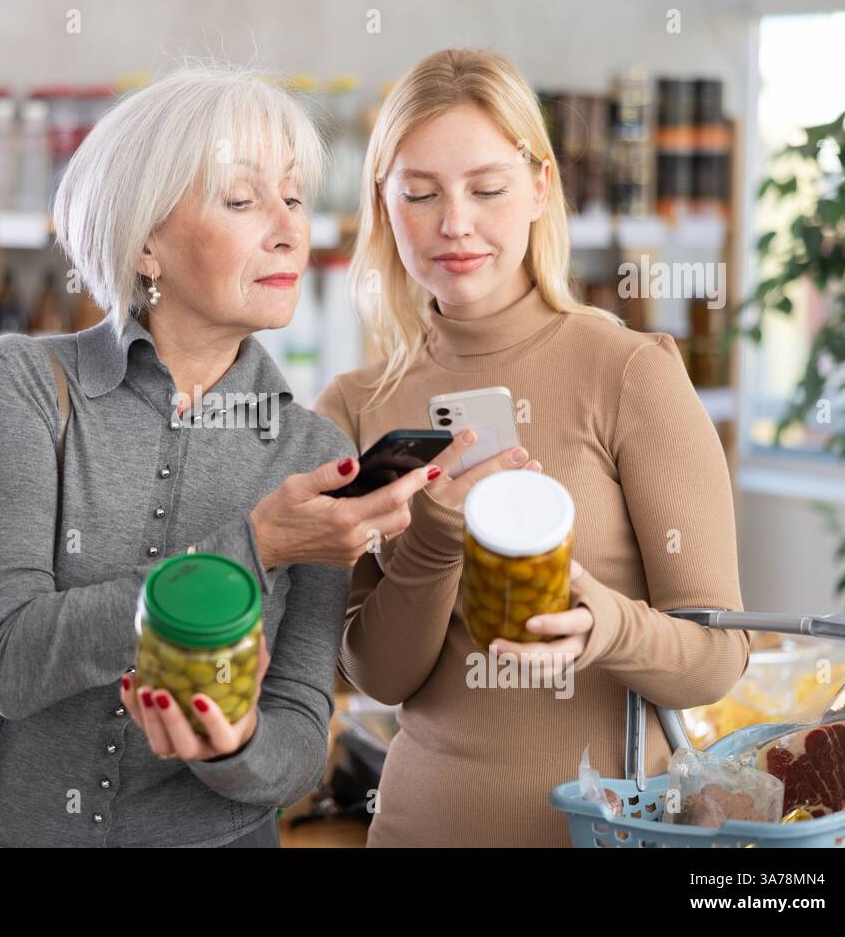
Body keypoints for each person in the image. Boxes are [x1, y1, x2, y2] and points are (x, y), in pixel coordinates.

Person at [0, 64, 443, 847]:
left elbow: (300, 737)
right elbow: (11, 660)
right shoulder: (20, 386)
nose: (289, 227)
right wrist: (257, 546)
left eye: (294, 198)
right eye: (242, 199)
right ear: (146, 242)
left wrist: (234, 748)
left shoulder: (312, 451)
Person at [314, 48, 749, 846]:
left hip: (614, 832)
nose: (455, 222)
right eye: (420, 192)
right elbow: (377, 675)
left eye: (487, 188)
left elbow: (718, 661)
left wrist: (609, 626)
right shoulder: (352, 405)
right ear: (383, 203)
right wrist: (436, 542)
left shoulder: (629, 372)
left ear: (540, 187)